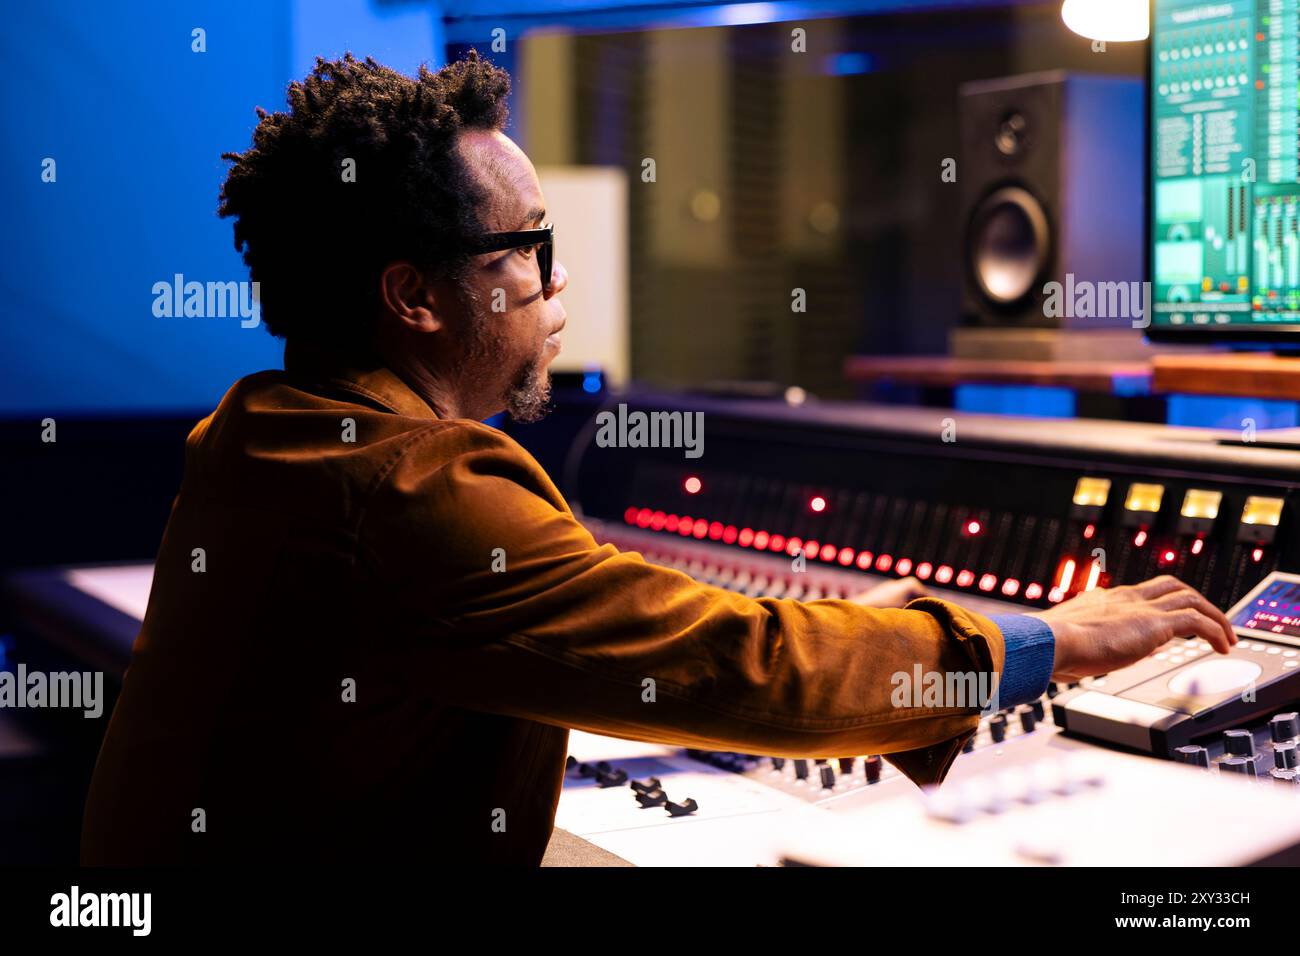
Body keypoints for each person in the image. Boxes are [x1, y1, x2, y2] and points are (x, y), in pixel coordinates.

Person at [81, 51, 1237, 865]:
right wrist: (1052, 637)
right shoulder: (401, 490)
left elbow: (650, 637)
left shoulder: (265, 430)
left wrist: (879, 636)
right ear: (413, 297)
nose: (558, 278)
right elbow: (741, 662)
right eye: (529, 248)